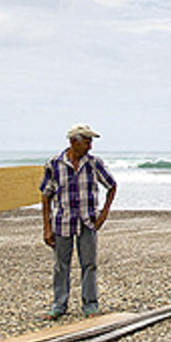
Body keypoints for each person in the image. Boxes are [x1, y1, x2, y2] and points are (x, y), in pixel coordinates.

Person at [40, 124, 117, 319]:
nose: (90, 146)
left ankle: (90, 304)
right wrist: (47, 227)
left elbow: (112, 185)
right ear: (74, 142)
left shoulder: (93, 163)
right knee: (60, 265)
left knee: (89, 264)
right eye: (87, 141)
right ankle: (59, 305)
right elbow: (45, 195)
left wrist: (103, 214)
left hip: (88, 221)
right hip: (63, 221)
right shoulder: (54, 163)